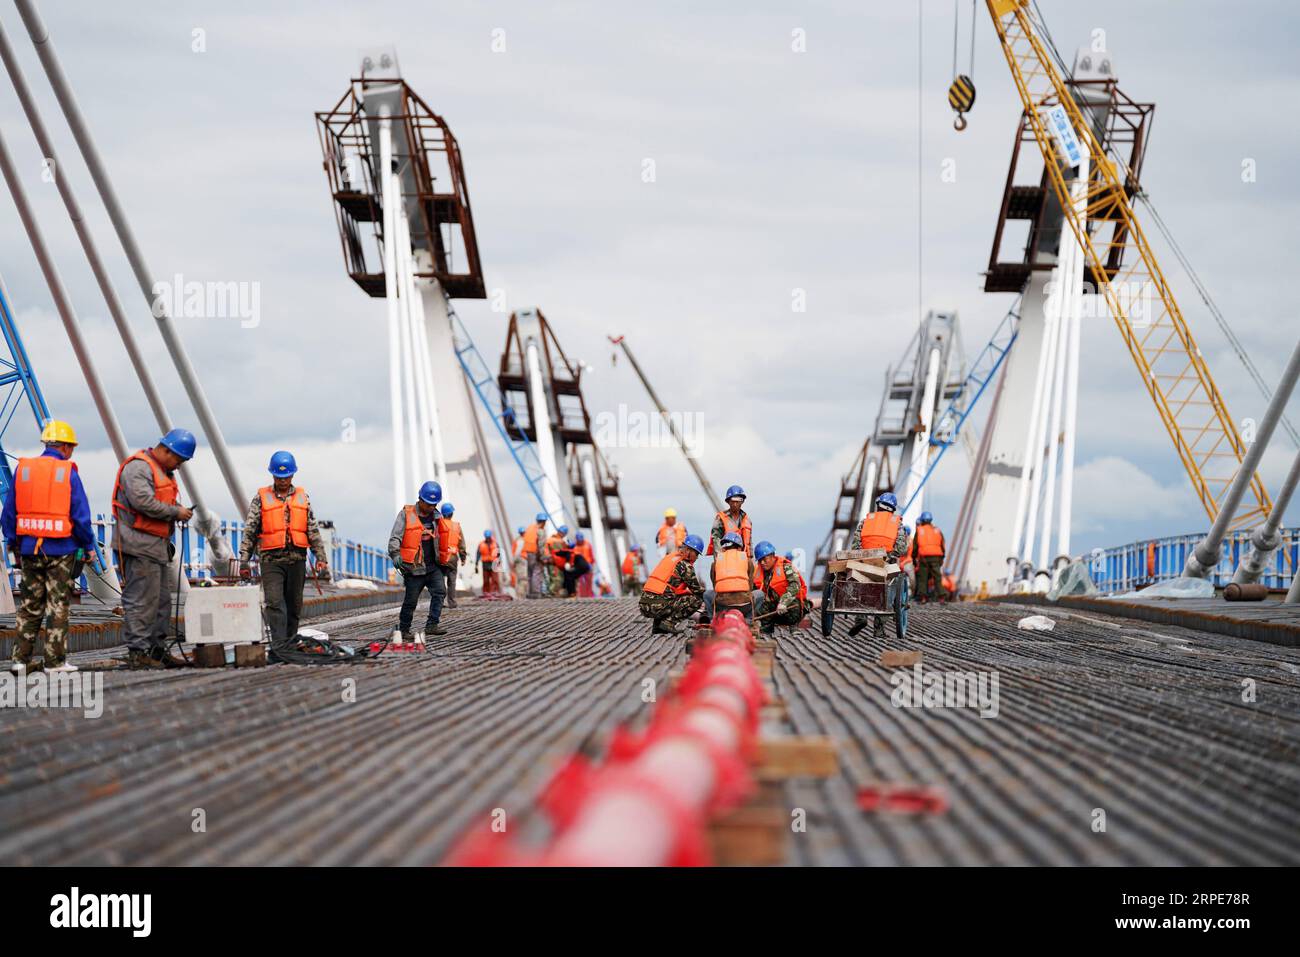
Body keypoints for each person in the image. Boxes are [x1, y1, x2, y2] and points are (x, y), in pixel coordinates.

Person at [3, 421, 98, 674]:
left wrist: (14, 543)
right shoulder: (67, 472)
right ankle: (54, 662)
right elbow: (80, 516)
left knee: (30, 604)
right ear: (65, 447)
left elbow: (8, 514)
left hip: (29, 549)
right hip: (61, 551)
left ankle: (19, 661)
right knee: (57, 605)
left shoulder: (24, 470)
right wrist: (89, 546)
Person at [111, 428, 196, 669]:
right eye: (179, 460)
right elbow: (143, 502)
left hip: (155, 547)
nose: (179, 466)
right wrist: (175, 512)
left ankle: (156, 650)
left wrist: (177, 509)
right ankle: (138, 652)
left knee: (161, 602)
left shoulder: (161, 471)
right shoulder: (139, 468)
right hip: (138, 545)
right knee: (141, 601)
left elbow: (160, 500)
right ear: (168, 451)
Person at [238, 451, 328, 641]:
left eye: (286, 476)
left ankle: (290, 641)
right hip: (271, 561)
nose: (282, 480)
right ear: (273, 475)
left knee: (294, 605)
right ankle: (279, 646)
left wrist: (321, 557)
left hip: (297, 560)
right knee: (275, 603)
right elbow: (250, 530)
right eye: (279, 477)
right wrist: (244, 560)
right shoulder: (261, 498)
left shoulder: (303, 498)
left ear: (293, 475)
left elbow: (312, 529)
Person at [388, 481, 447, 644]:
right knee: (411, 600)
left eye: (434, 504)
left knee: (440, 592)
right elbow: (395, 537)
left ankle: (432, 624)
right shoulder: (406, 515)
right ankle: (404, 629)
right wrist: (395, 554)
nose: (431, 507)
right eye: (428, 504)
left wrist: (445, 561)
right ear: (420, 499)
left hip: (432, 566)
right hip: (414, 567)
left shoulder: (437, 516)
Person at [846, 491, 909, 635]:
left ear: (878, 505)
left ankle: (860, 618)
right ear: (892, 508)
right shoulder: (897, 523)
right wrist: (892, 555)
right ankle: (879, 629)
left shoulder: (866, 520)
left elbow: (856, 543)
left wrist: (863, 555)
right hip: (885, 562)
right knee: (887, 589)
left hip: (865, 561)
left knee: (861, 585)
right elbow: (901, 547)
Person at [638, 533, 705, 634]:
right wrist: (710, 596)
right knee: (697, 600)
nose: (696, 558)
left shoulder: (669, 557)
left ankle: (658, 626)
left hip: (644, 605)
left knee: (666, 596)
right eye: (697, 554)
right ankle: (668, 623)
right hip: (658, 606)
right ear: (690, 551)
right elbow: (697, 590)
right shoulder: (685, 565)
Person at [753, 540, 807, 634]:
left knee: (794, 603)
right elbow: (753, 590)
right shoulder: (759, 572)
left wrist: (784, 602)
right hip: (773, 610)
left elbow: (795, 586)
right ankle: (766, 628)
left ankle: (793, 626)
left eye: (765, 559)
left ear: (773, 556)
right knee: (761, 603)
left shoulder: (786, 567)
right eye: (760, 560)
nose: (762, 562)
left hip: (788, 608)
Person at [703, 531, 756, 622]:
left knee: (707, 594)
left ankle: (713, 620)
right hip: (744, 605)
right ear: (739, 547)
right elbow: (750, 586)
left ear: (724, 548)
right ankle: (748, 619)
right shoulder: (748, 561)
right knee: (760, 594)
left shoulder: (716, 562)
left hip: (722, 605)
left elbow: (715, 585)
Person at [709, 485, 753, 558]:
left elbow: (749, 543)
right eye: (733, 501)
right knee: (714, 568)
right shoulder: (720, 518)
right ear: (728, 501)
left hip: (742, 558)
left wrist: (750, 558)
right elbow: (716, 539)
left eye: (738, 501)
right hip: (725, 557)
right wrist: (719, 558)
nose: (735, 504)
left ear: (742, 501)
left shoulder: (747, 520)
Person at [438, 502, 468, 607]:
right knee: (452, 580)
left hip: (441, 555)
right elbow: (462, 544)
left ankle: (440, 602)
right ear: (451, 514)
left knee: (439, 579)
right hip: (453, 557)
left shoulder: (438, 524)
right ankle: (451, 602)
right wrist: (463, 557)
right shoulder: (457, 526)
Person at [912, 511, 946, 603]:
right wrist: (942, 557)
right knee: (937, 577)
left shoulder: (919, 530)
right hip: (936, 557)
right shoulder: (937, 530)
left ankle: (923, 598)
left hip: (923, 557)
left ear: (922, 520)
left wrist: (913, 558)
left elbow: (915, 546)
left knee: (923, 577)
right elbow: (942, 545)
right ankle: (942, 597)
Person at [522, 513, 547, 598]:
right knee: (537, 572)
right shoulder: (540, 530)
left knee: (530, 573)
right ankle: (536, 592)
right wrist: (542, 557)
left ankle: (530, 592)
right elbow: (541, 545)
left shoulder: (530, 528)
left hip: (528, 553)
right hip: (535, 553)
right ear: (544, 522)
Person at [544, 524, 569, 596]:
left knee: (554, 578)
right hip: (554, 562)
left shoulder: (552, 540)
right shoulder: (559, 541)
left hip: (556, 562)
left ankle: (553, 592)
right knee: (556, 579)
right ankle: (552, 593)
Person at [475, 529, 500, 594]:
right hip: (485, 564)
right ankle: (486, 593)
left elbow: (499, 553)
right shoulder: (481, 544)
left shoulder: (495, 543)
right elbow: (478, 554)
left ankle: (495, 592)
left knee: (495, 580)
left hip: (494, 563)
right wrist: (476, 564)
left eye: (489, 537)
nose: (488, 539)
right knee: (486, 580)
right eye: (487, 537)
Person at [573, 531, 595, 597]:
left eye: (581, 540)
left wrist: (591, 563)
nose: (580, 541)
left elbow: (591, 555)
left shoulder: (588, 544)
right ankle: (582, 596)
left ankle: (589, 595)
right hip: (579, 567)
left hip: (588, 566)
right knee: (581, 583)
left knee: (589, 581)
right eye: (579, 540)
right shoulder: (574, 546)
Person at [511, 525, 527, 593]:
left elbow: (514, 552)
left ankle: (521, 593)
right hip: (522, 560)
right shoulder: (522, 540)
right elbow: (517, 552)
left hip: (521, 560)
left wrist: (514, 562)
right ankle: (521, 593)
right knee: (523, 578)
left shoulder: (517, 540)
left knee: (521, 578)